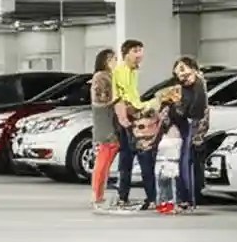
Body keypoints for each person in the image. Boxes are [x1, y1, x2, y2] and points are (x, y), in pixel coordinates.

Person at [111, 39, 161, 210]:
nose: (140, 54)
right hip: (128, 119)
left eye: (141, 50)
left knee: (127, 158)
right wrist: (130, 116)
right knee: (143, 157)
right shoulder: (121, 71)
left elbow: (133, 96)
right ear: (125, 53)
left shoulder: (133, 71)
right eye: (135, 50)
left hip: (131, 117)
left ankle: (124, 197)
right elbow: (121, 97)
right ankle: (151, 197)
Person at [169, 56, 209, 211]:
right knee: (185, 160)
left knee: (187, 160)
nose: (181, 73)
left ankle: (188, 197)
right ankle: (186, 196)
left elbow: (196, 109)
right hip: (184, 126)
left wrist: (179, 109)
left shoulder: (198, 84)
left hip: (192, 126)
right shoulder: (182, 86)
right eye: (178, 70)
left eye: (184, 68)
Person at [89, 48, 119, 209]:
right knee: (103, 159)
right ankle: (97, 194)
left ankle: (98, 193)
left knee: (105, 160)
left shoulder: (109, 76)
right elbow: (101, 100)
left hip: (109, 121)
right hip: (105, 122)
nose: (116, 62)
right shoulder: (101, 77)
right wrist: (119, 99)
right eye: (113, 59)